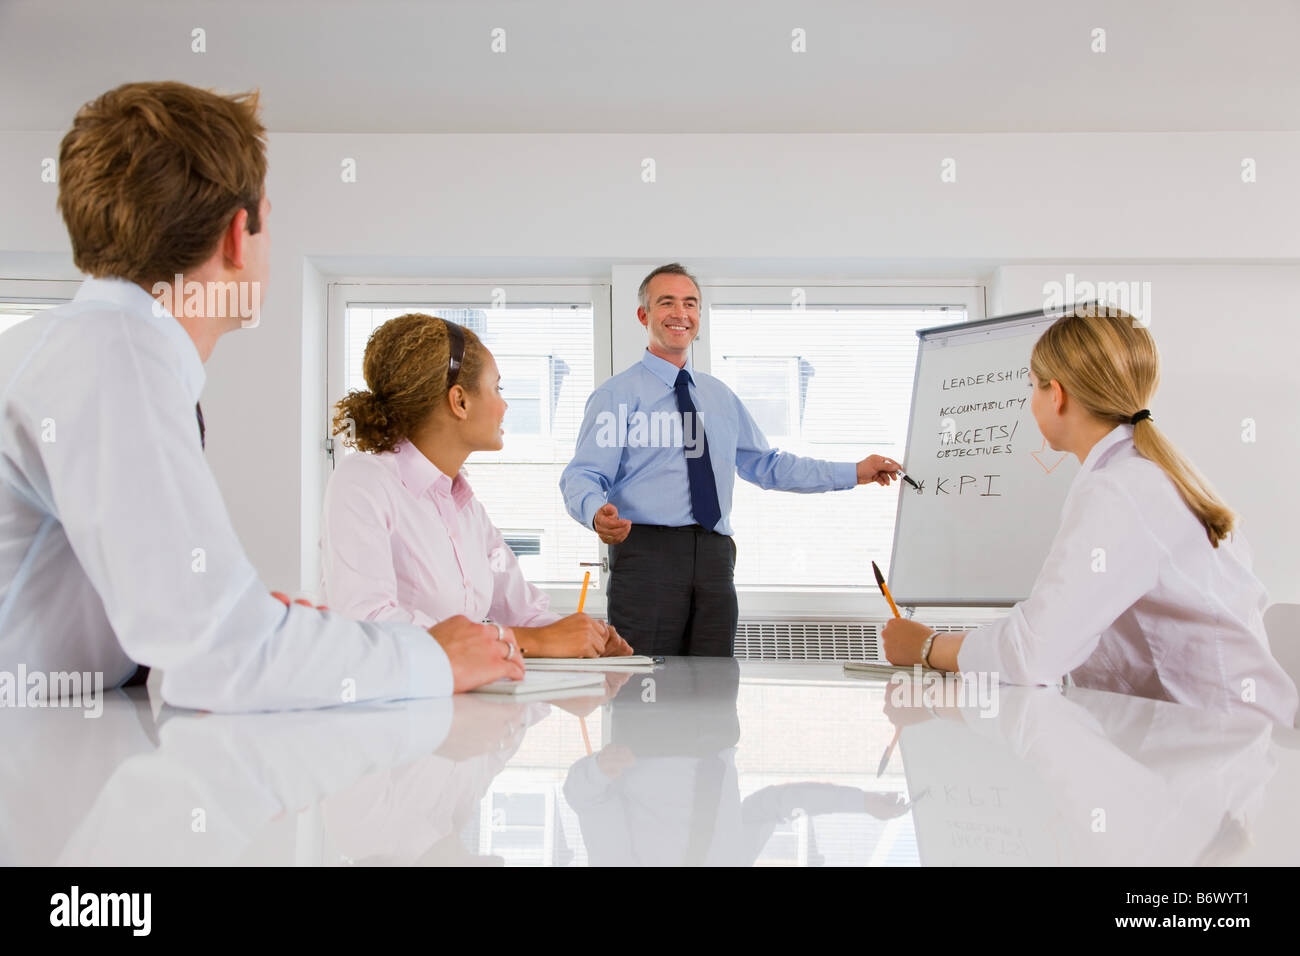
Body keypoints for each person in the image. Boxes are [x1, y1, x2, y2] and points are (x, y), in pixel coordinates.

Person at [0, 82, 523, 712]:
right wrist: (432, 658)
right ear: (236, 235)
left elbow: (191, 621)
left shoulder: (77, 348)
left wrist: (271, 629)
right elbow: (222, 656)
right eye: (269, 220)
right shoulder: (118, 364)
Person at [882, 306, 1298, 727]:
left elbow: (1036, 651)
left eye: (1032, 387)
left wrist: (926, 647)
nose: (1031, 402)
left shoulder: (1120, 489)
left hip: (1225, 751)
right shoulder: (1144, 474)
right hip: (1215, 739)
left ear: (1056, 394)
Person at [560, 263, 903, 656]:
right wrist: (595, 511)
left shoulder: (719, 397)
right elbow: (582, 474)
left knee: (714, 689)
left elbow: (769, 465)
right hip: (646, 557)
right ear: (644, 315)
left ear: (699, 317)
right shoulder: (616, 395)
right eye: (666, 302)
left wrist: (855, 472)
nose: (680, 313)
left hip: (714, 558)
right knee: (642, 693)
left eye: (690, 304)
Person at [322, 312, 632, 658]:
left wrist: (588, 637)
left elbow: (523, 612)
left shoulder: (463, 506)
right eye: (497, 388)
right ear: (460, 401)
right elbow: (367, 625)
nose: (505, 405)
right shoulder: (364, 481)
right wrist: (532, 641)